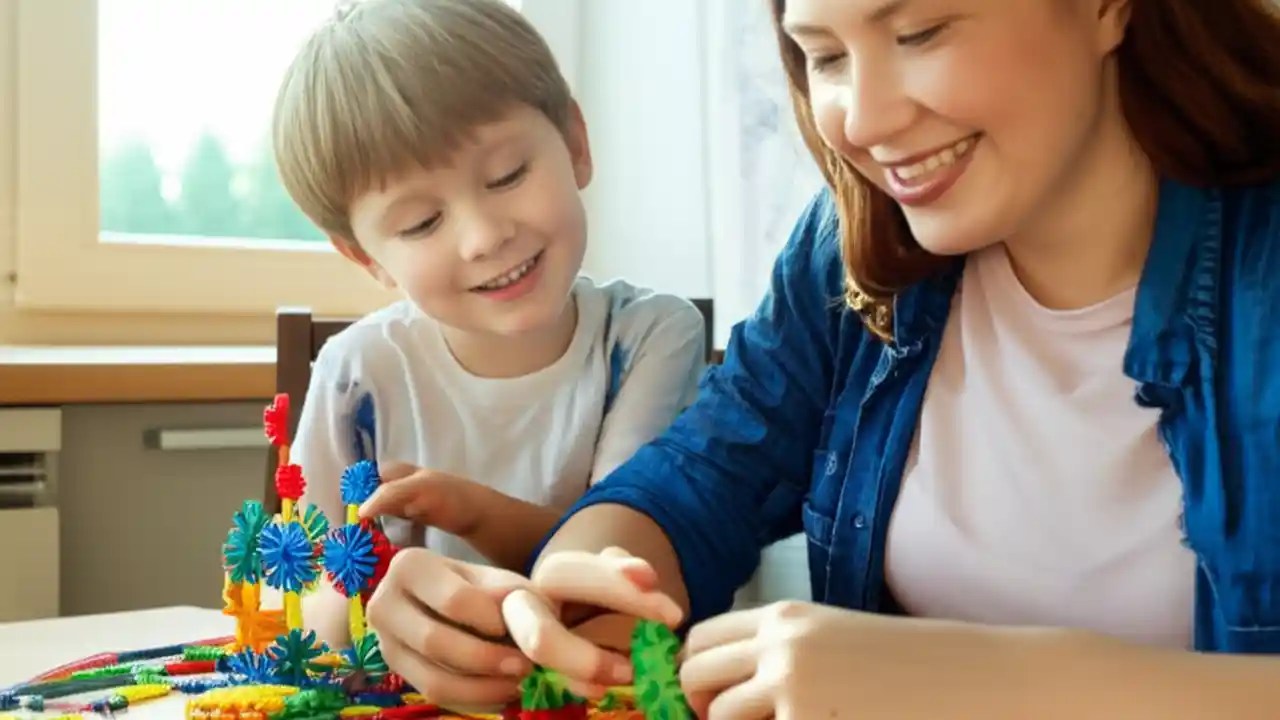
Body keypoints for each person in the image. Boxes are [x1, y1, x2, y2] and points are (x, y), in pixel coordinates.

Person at [372, 0, 1280, 716]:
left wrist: (970, 681)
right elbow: (694, 481)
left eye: (918, 31)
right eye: (825, 55)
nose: (862, 120)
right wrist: (557, 603)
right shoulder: (849, 252)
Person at [268, 0, 708, 651]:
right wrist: (362, 612)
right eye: (422, 223)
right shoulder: (356, 373)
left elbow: (624, 565)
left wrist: (471, 511)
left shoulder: (649, 337)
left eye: (507, 176)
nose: (483, 237)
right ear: (367, 258)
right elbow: (299, 596)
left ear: (576, 146)